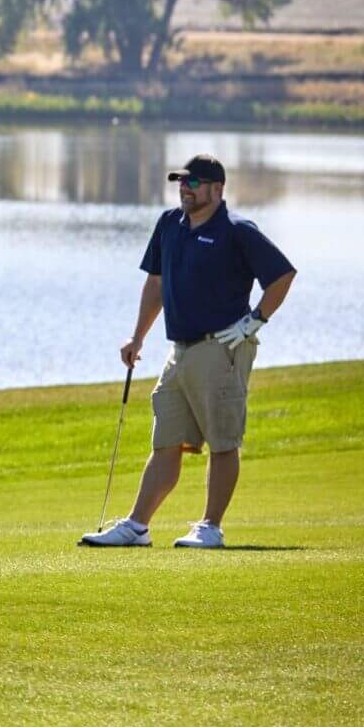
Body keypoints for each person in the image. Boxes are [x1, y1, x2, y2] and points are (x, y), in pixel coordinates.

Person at [82, 154, 295, 549]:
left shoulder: (237, 231)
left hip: (223, 347)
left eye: (194, 183)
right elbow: (156, 284)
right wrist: (137, 338)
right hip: (178, 350)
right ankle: (137, 526)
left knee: (223, 439)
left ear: (217, 189)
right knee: (167, 440)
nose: (185, 188)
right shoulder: (169, 225)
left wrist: (255, 320)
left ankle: (210, 526)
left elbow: (283, 275)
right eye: (182, 182)